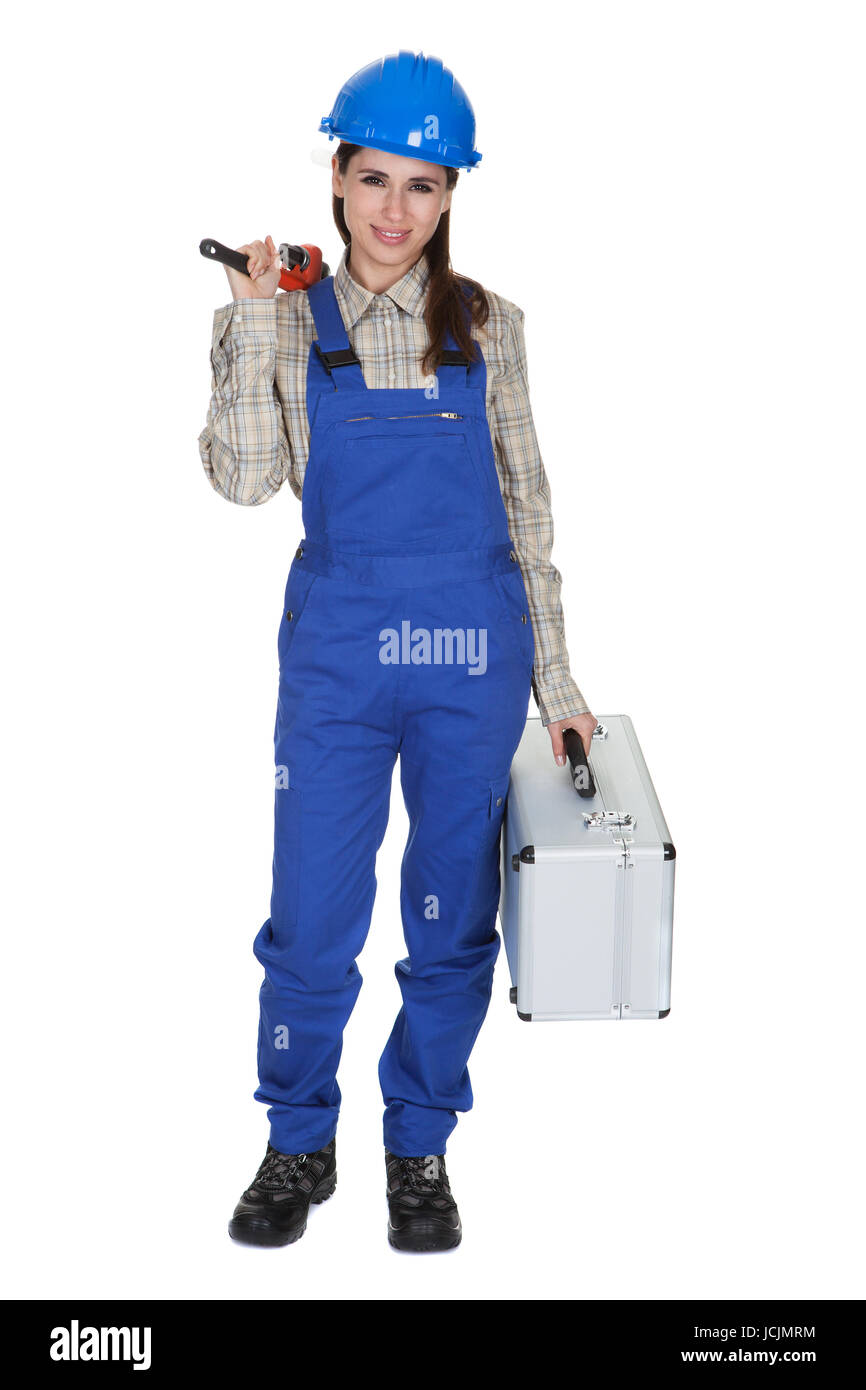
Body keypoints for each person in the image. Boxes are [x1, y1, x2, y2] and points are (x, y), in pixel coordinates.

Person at [198, 50, 597, 1253]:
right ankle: (296, 1134)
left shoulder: (490, 327)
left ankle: (416, 1141)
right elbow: (243, 480)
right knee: (312, 914)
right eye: (373, 178)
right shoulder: (289, 313)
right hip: (337, 657)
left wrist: (561, 687)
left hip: (471, 658)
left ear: (449, 198)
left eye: (423, 187)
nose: (392, 212)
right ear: (334, 174)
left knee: (449, 913)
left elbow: (527, 509)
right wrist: (250, 325)